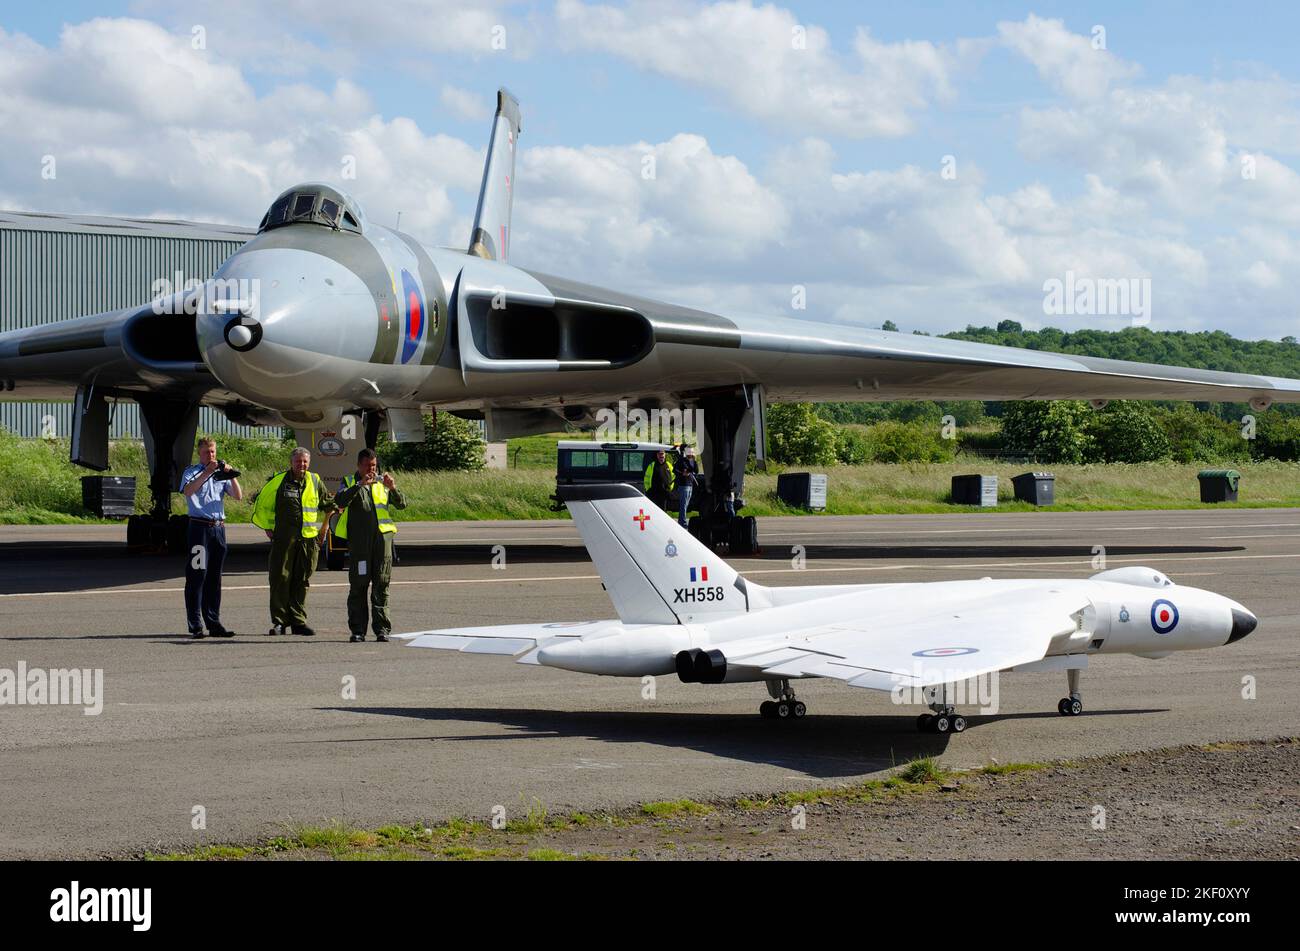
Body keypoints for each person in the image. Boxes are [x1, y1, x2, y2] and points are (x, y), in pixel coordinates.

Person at [252, 447, 335, 637]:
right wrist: (267, 526)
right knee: (280, 578)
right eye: (298, 461)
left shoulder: (315, 480)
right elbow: (262, 505)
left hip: (308, 540)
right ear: (291, 462)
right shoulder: (279, 481)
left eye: (305, 461)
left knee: (301, 580)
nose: (302, 465)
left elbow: (328, 505)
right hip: (284, 540)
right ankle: (279, 622)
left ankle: (298, 621)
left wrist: (324, 528)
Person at [334, 448, 407, 642]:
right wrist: (359, 485)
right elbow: (339, 501)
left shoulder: (383, 483)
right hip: (360, 546)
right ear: (359, 465)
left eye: (373, 465)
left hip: (382, 543)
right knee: (359, 586)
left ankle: (382, 629)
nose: (371, 469)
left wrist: (393, 488)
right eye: (367, 465)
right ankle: (358, 630)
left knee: (381, 586)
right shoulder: (349, 481)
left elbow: (402, 505)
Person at [179, 436, 242, 639]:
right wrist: (207, 472)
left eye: (213, 451)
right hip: (199, 530)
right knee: (198, 575)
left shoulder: (219, 474)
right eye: (207, 452)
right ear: (200, 453)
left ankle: (213, 622)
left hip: (218, 530)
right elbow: (188, 491)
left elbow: (238, 495)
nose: (211, 455)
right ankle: (196, 624)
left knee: (214, 578)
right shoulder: (192, 471)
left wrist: (230, 474)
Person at [675, 445, 699, 528]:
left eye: (691, 452)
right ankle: (683, 523)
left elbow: (696, 470)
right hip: (683, 485)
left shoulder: (692, 460)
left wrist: (693, 461)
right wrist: (683, 472)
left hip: (690, 485)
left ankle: (681, 521)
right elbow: (676, 470)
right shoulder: (681, 460)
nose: (691, 453)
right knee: (683, 504)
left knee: (686, 504)